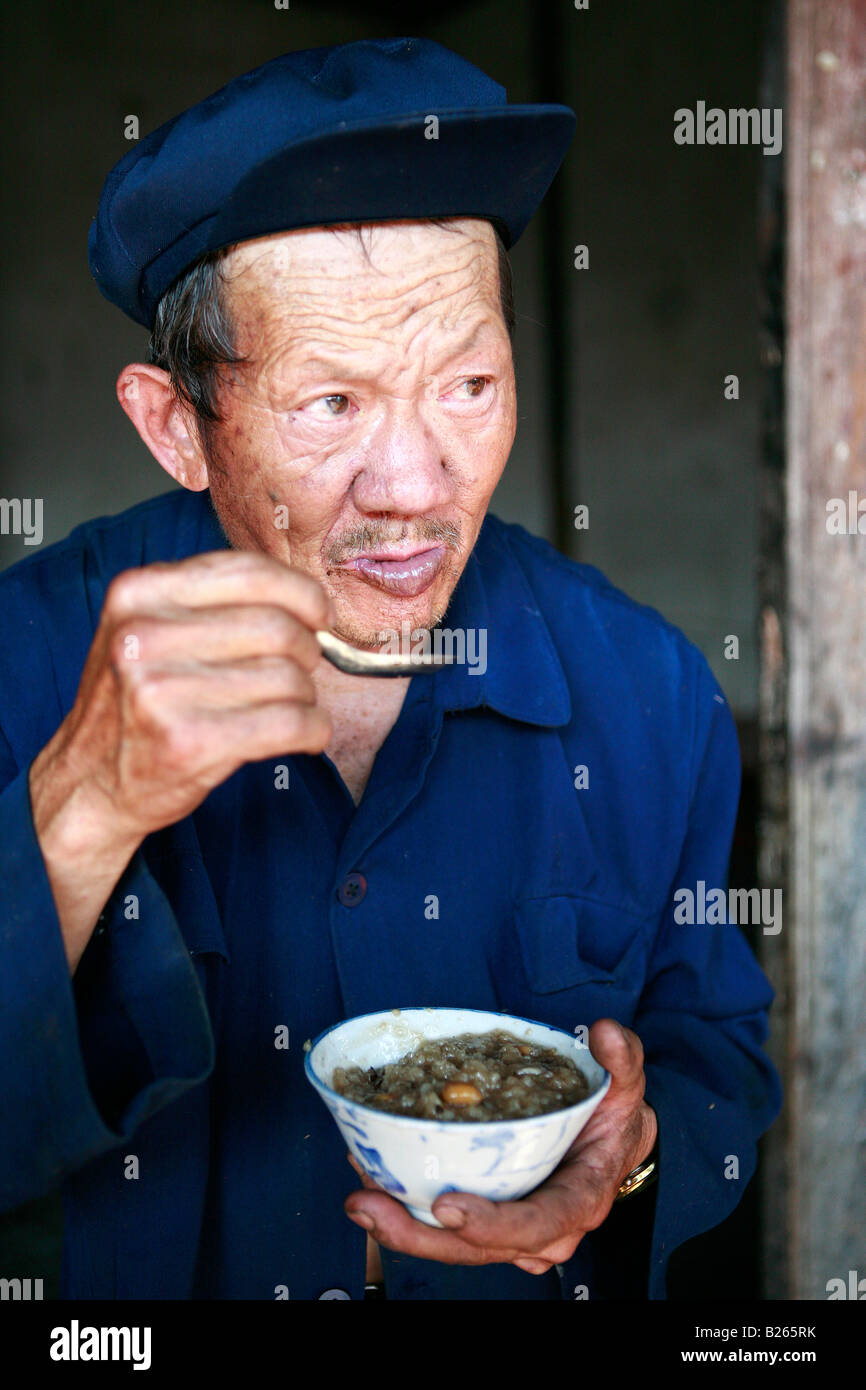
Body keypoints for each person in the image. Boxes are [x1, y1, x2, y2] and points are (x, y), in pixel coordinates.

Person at [0, 36, 780, 1300]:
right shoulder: (27, 658)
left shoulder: (650, 691)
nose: (417, 488)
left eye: (467, 383)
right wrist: (79, 812)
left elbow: (714, 1052)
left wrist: (631, 1152)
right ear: (173, 425)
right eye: (332, 406)